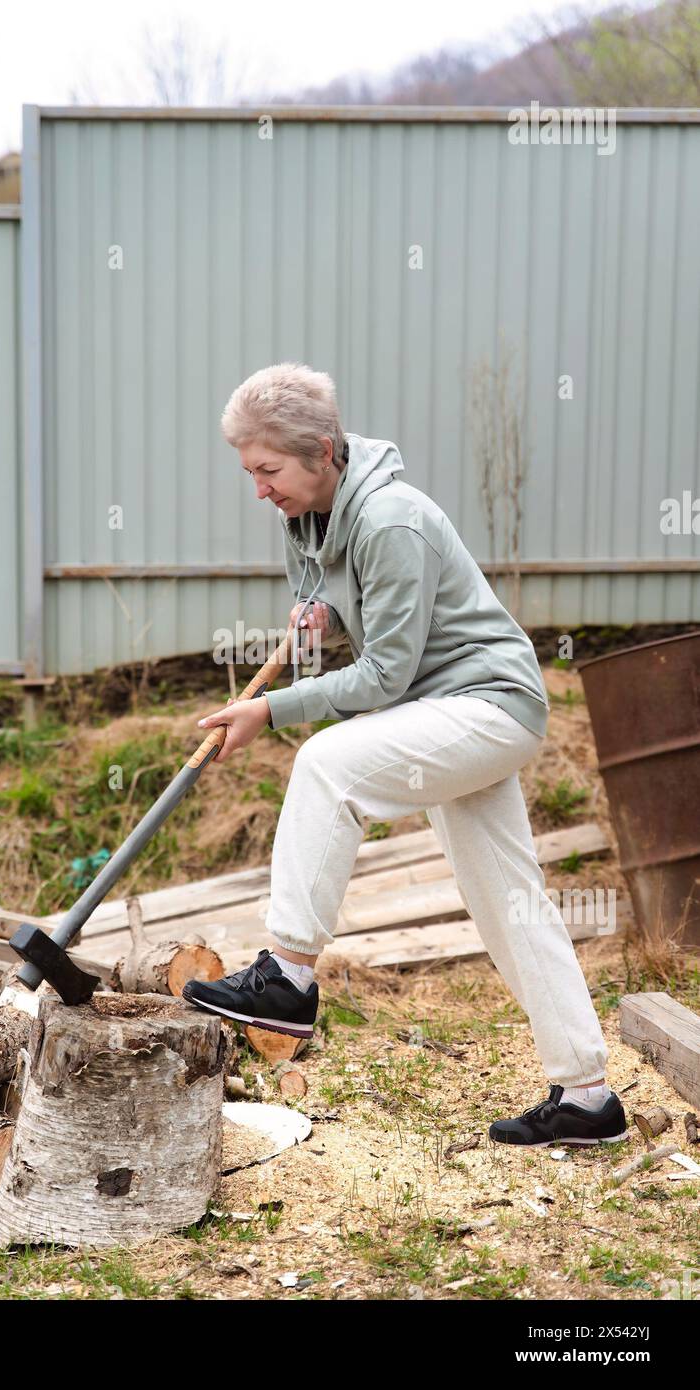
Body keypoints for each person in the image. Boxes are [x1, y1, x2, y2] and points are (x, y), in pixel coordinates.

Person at [183, 363, 627, 1148]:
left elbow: (384, 674)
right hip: (438, 713)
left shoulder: (390, 520)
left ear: (322, 451)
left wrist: (269, 709)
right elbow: (358, 635)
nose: (258, 489)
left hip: (485, 706)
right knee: (506, 900)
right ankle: (587, 1096)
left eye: (267, 470)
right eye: (248, 471)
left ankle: (285, 976)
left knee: (327, 765)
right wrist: (321, 617)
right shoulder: (310, 518)